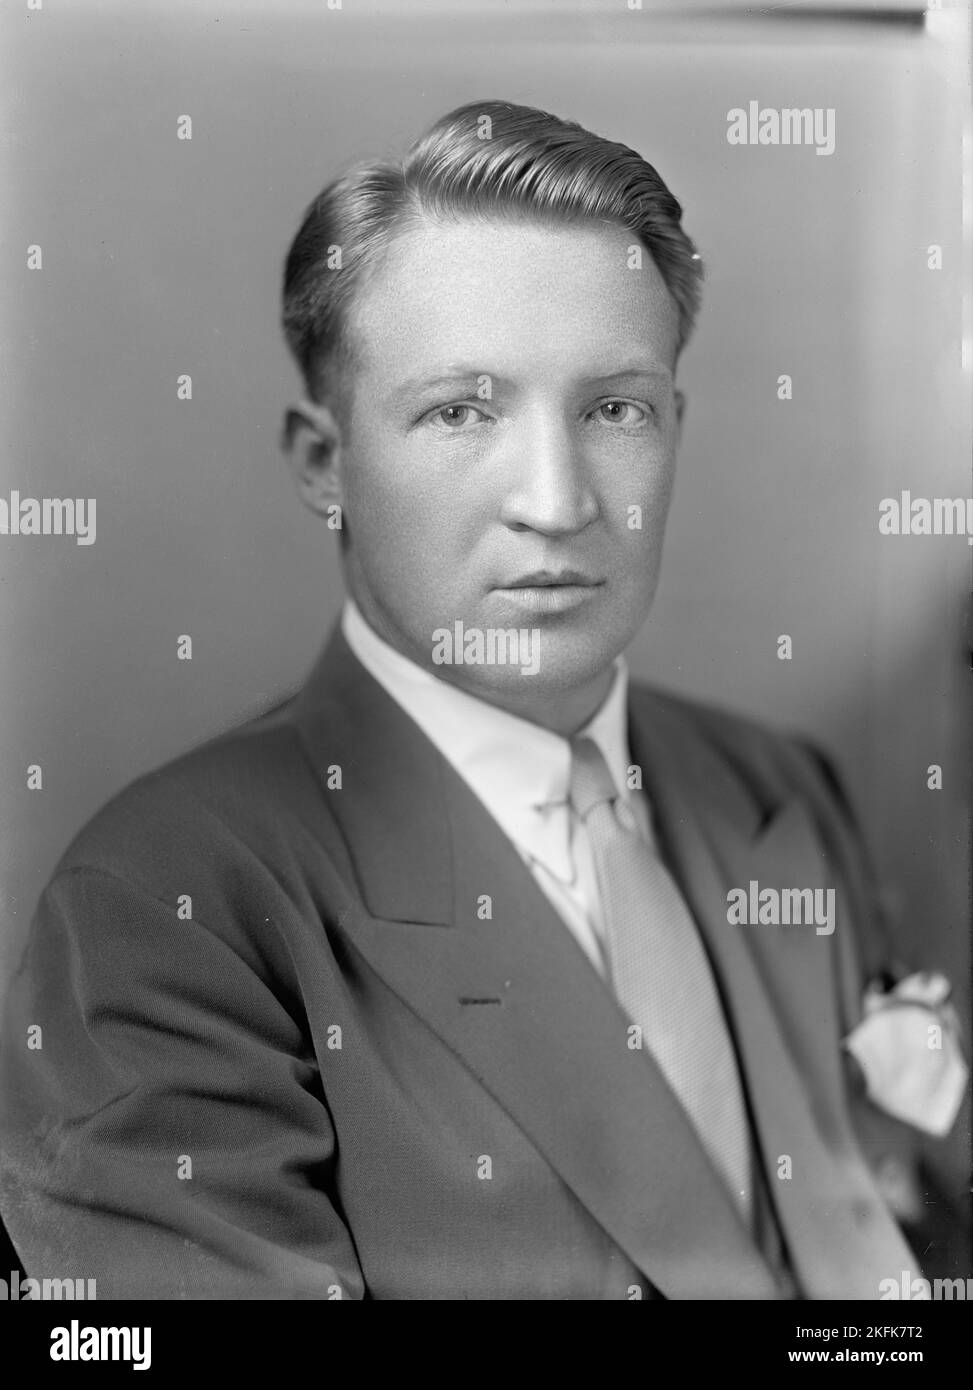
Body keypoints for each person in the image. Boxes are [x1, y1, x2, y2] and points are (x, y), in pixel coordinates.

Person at [0, 100, 964, 1300]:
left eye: (614, 408)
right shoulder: (165, 903)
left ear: (674, 428)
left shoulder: (772, 790)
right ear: (324, 463)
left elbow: (895, 1230)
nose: (556, 503)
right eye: (460, 410)